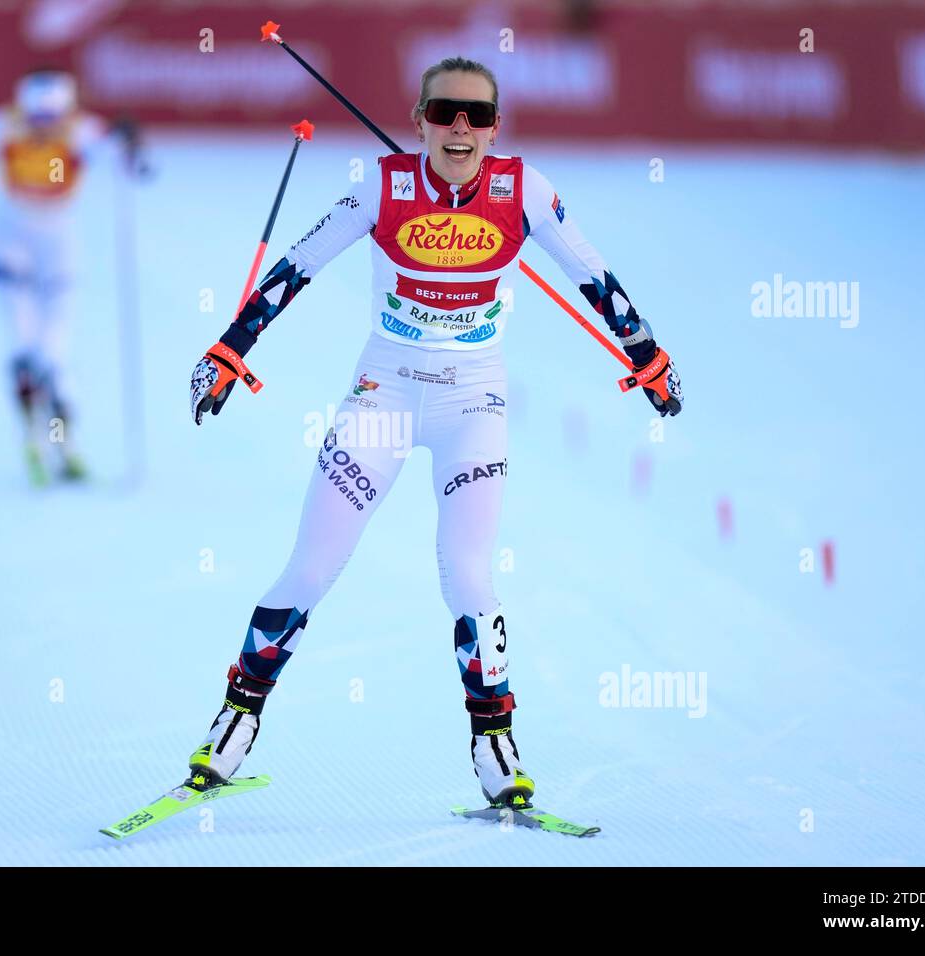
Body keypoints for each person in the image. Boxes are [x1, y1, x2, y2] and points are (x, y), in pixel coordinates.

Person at [187, 56, 683, 809]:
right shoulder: (380, 187)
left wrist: (649, 359)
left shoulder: (524, 192)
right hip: (382, 395)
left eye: (477, 115)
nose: (461, 128)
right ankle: (237, 719)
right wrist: (229, 350)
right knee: (312, 569)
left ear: (494, 128)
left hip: (473, 404)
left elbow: (594, 276)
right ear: (418, 119)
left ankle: (495, 746)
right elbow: (296, 267)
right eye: (445, 111)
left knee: (469, 576)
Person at [0, 67, 149, 485]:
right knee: (24, 346)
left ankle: (63, 442)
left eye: (50, 118)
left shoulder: (81, 131)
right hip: (10, 243)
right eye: (36, 117)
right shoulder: (4, 126)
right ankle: (32, 435)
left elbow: (133, 168)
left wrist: (131, 145)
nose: (42, 128)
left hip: (59, 249)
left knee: (54, 354)